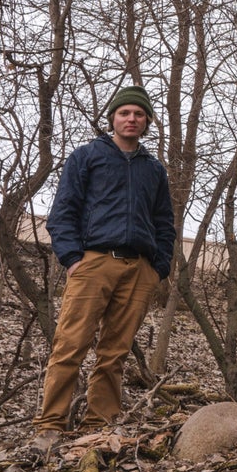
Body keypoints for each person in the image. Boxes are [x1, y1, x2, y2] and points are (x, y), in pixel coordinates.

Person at [32, 84, 175, 451]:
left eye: (139, 114)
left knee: (115, 353)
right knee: (70, 345)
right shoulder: (87, 156)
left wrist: (158, 267)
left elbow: (164, 222)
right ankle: (50, 426)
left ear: (146, 122)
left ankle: (100, 426)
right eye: (125, 112)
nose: (131, 119)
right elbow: (63, 212)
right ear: (113, 117)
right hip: (93, 263)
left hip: (138, 269)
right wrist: (72, 258)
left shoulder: (154, 169)